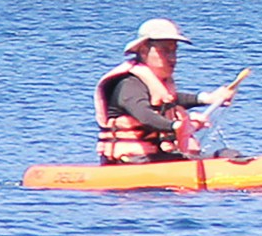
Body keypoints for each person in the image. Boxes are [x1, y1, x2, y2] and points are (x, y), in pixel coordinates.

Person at [97, 18, 242, 165]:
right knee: (224, 156)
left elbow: (171, 100)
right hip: (129, 162)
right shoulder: (128, 85)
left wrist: (208, 99)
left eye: (174, 51)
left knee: (228, 154)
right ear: (143, 50)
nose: (172, 58)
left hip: (156, 158)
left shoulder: (156, 84)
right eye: (165, 51)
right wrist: (175, 126)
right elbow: (144, 115)